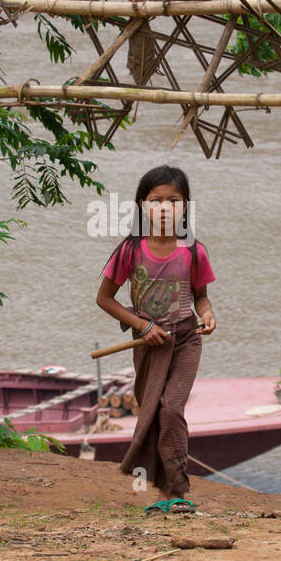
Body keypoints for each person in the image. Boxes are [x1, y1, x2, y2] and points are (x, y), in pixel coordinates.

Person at [96, 166, 216, 515]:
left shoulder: (194, 252)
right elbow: (104, 299)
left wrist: (207, 314)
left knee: (171, 408)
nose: (165, 208)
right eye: (156, 201)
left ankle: (179, 491)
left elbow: (201, 298)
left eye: (173, 201)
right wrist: (142, 327)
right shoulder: (130, 251)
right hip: (148, 345)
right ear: (141, 206)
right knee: (152, 412)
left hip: (184, 340)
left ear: (185, 207)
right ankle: (164, 493)